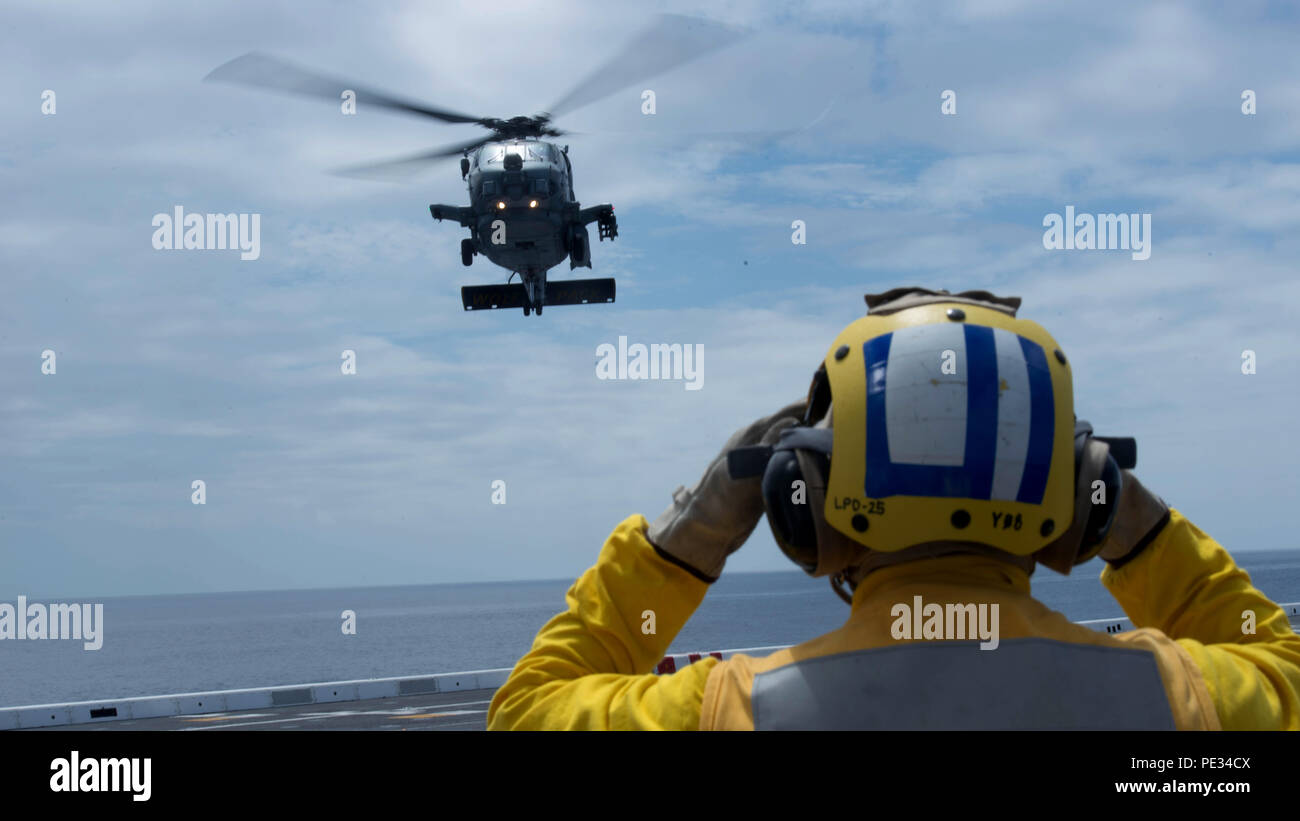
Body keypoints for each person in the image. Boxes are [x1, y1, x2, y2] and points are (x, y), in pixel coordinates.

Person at [487, 288, 1300, 730]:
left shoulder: (734, 711)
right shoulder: (1176, 699)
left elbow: (526, 711)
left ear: (802, 502)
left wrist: (689, 534)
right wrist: (1136, 522)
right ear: (1073, 503)